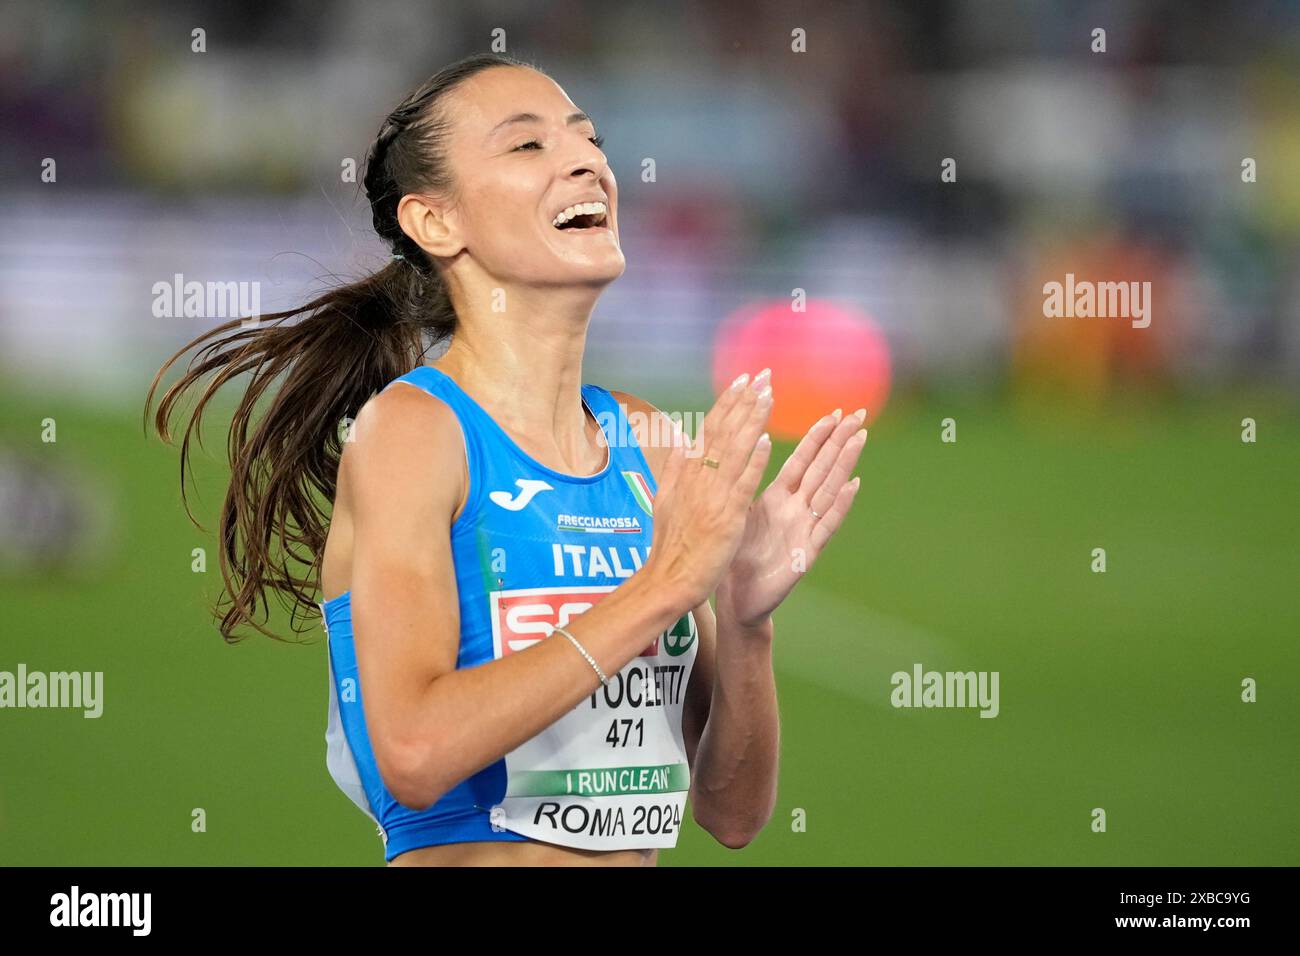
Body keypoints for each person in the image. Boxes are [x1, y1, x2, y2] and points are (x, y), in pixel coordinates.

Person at [146, 52, 866, 866]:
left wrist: (743, 620)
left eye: (588, 139)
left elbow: (732, 814)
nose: (587, 160)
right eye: (528, 147)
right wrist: (661, 586)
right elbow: (413, 753)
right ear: (435, 222)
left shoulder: (645, 441)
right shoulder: (415, 435)